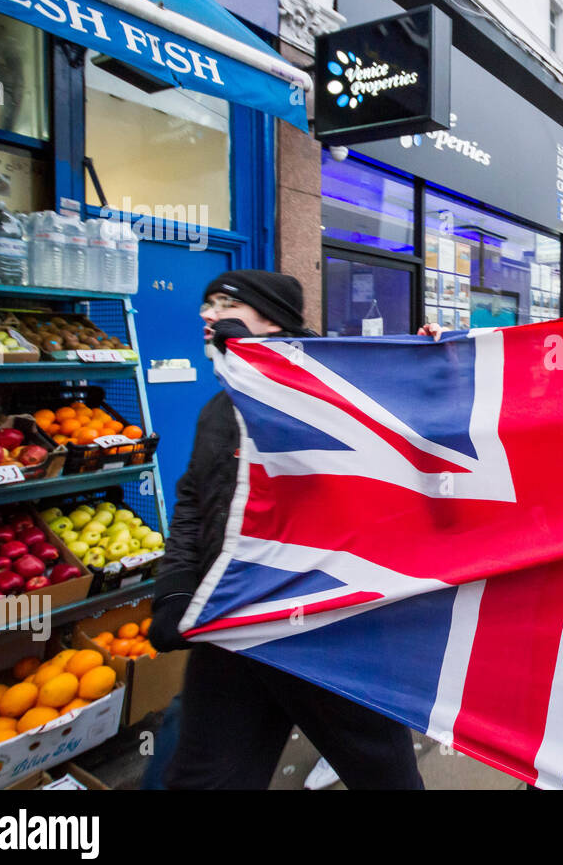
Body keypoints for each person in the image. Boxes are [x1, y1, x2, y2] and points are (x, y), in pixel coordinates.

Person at [147, 270, 424, 790]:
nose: (208, 314)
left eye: (226, 303)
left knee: (384, 777)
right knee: (201, 778)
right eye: (206, 303)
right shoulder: (218, 408)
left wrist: (433, 369)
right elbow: (193, 501)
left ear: (271, 319)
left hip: (328, 633)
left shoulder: (335, 397)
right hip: (232, 626)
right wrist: (177, 584)